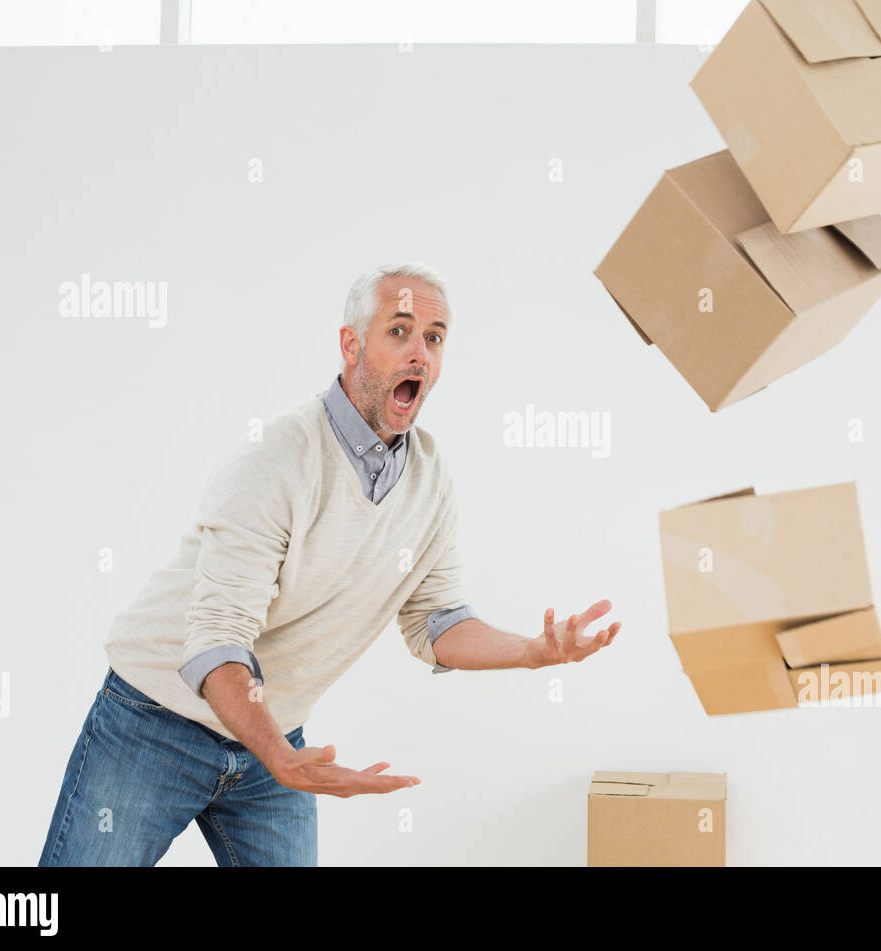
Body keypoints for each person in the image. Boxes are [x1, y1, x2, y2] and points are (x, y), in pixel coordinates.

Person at [38, 262, 619, 866]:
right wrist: (281, 758)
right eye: (400, 330)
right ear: (350, 344)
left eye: (434, 337)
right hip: (157, 721)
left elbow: (437, 624)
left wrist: (532, 652)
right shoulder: (277, 462)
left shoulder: (429, 476)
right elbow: (216, 644)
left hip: (273, 744)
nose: (419, 352)